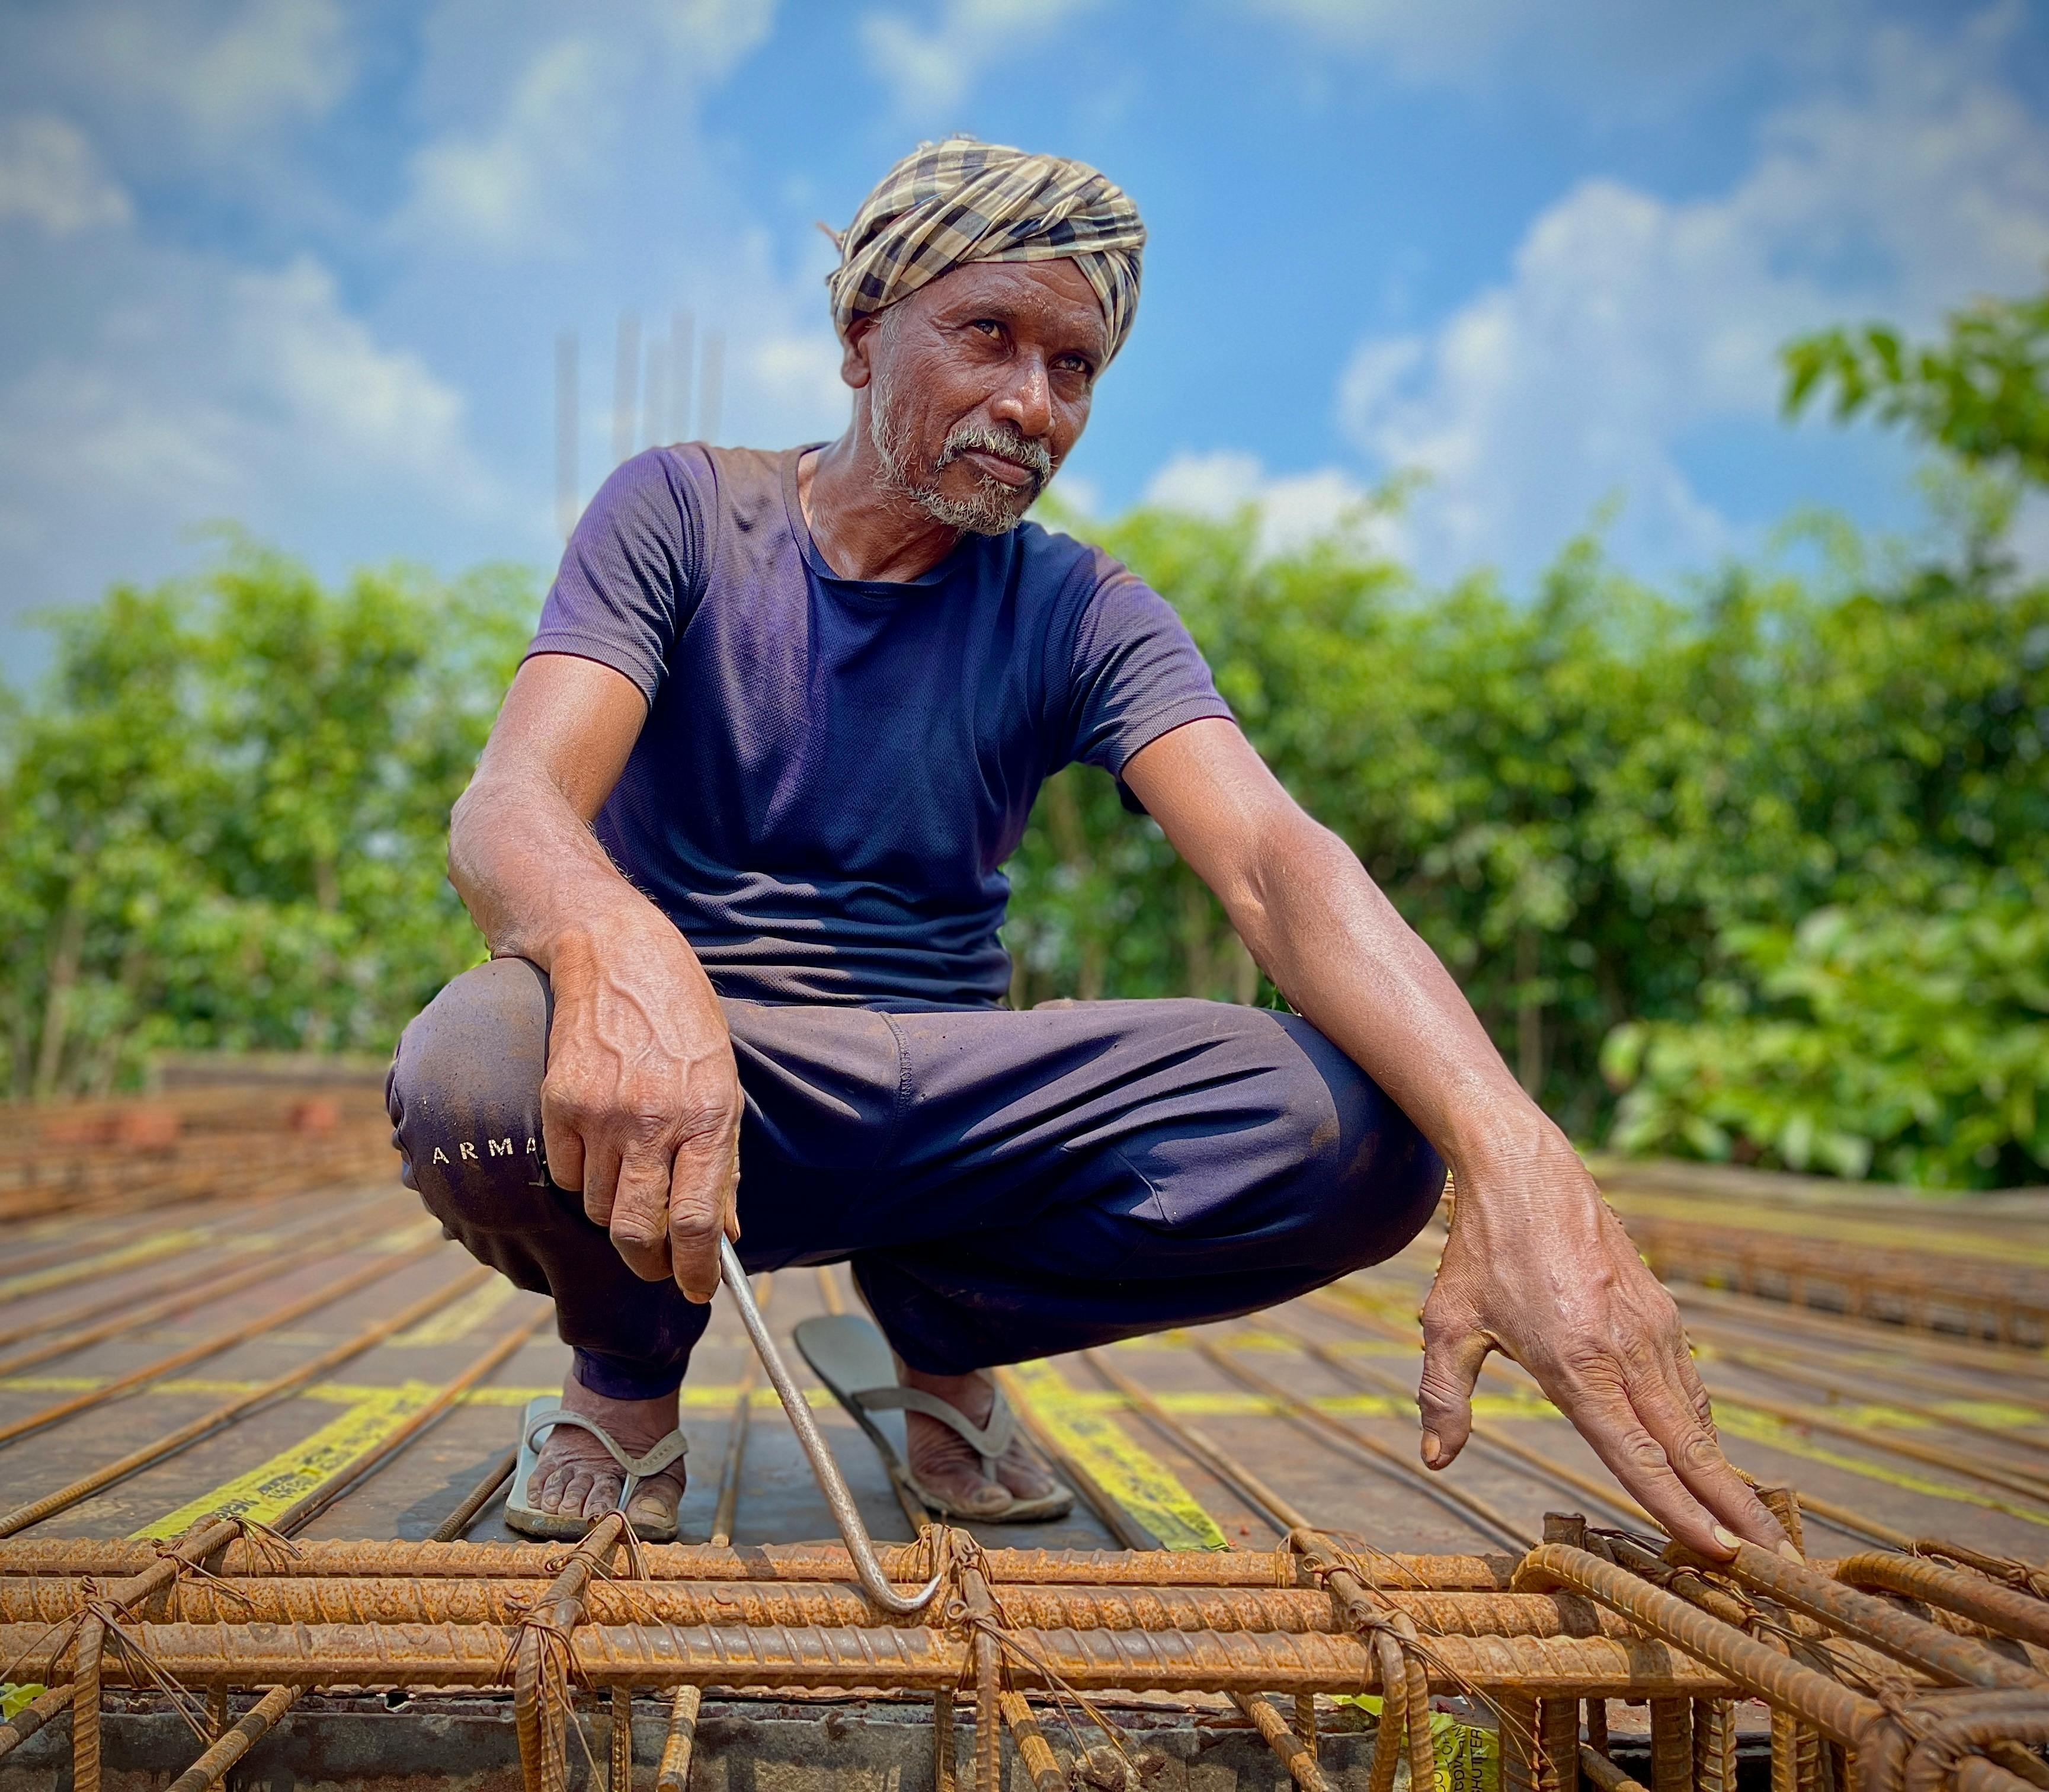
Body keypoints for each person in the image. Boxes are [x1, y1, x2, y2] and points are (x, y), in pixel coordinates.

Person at [388, 136, 1791, 1558]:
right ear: (863, 333)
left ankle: (939, 1321)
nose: (1029, 402)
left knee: (1365, 1136)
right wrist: (622, 948)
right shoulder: (682, 511)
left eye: (1074, 368)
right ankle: (624, 1381)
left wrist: (1515, 1148)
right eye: (986, 334)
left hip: (947, 1099)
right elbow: (510, 804)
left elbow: (1272, 861)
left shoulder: (1080, 609)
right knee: (477, 1072)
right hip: (702, 1075)